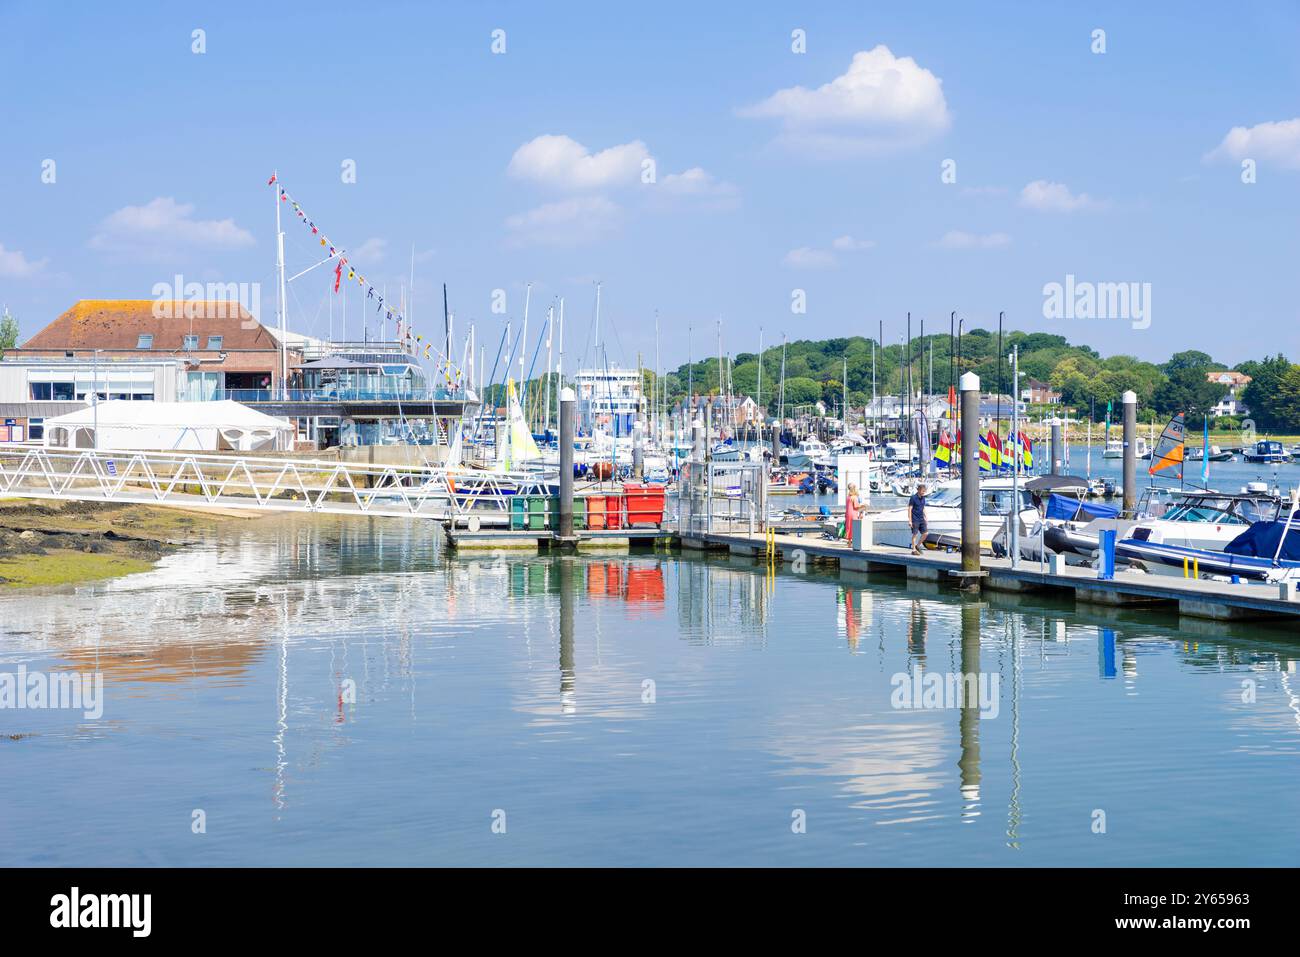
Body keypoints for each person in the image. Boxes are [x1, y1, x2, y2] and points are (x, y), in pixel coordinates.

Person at [908, 483, 928, 554]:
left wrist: (926, 517)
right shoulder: (913, 498)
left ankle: (918, 546)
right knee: (915, 534)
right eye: (923, 491)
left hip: (921, 518)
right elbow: (910, 509)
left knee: (925, 533)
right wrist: (910, 520)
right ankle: (913, 550)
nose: (923, 492)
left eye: (924, 491)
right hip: (915, 519)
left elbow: (923, 508)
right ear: (918, 490)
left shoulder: (923, 498)